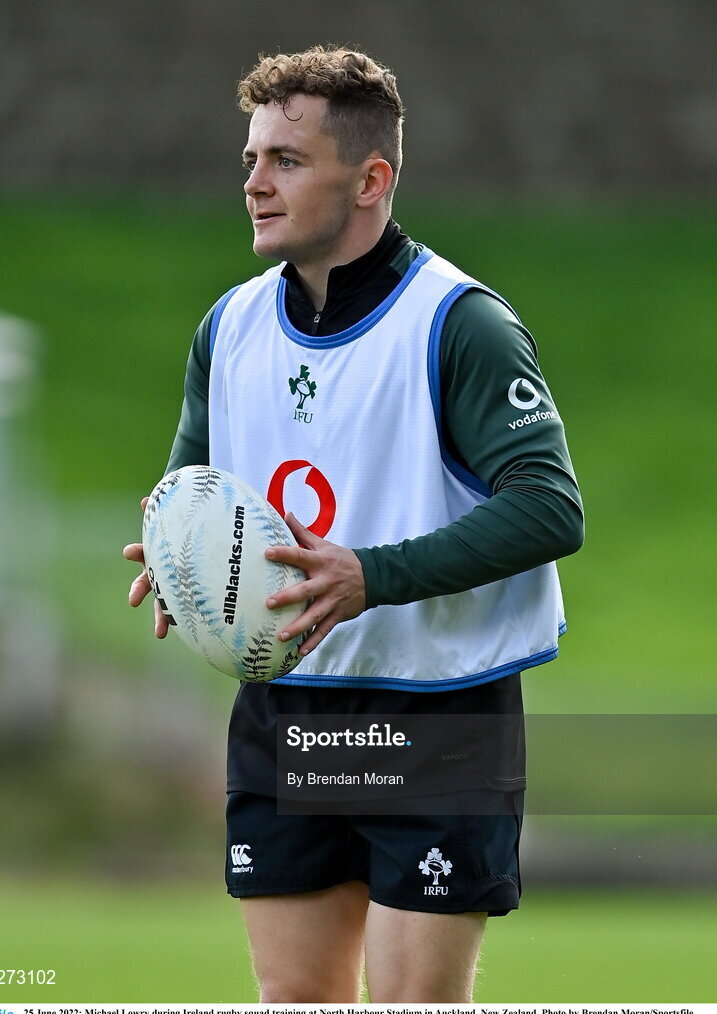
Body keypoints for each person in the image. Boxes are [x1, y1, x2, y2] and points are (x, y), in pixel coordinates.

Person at [124, 45, 583, 1003]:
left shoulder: (459, 323)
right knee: (296, 1002)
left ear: (371, 180)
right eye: (251, 159)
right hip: (286, 708)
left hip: (436, 712)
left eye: (286, 160)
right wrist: (177, 562)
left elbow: (548, 507)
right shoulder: (229, 327)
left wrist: (371, 575)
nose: (254, 183)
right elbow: (191, 490)